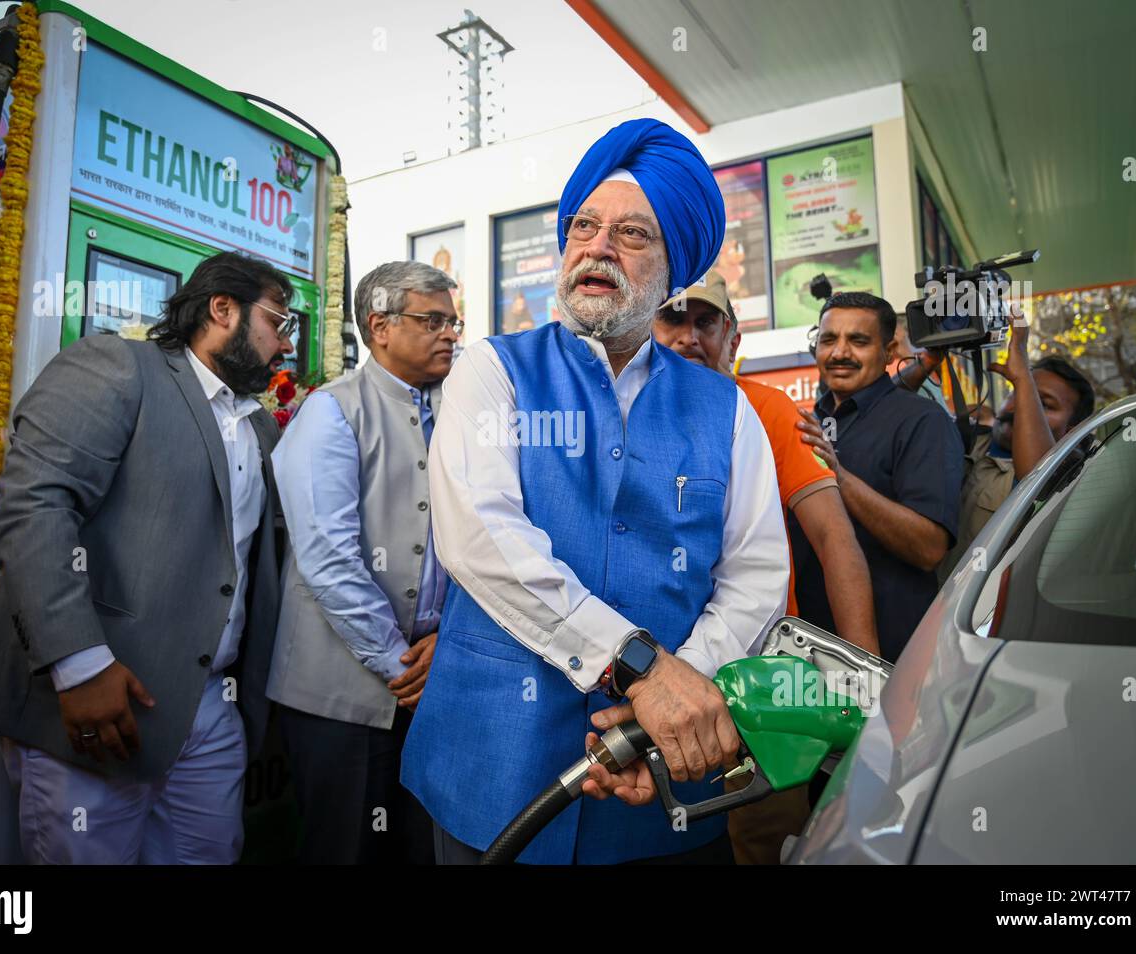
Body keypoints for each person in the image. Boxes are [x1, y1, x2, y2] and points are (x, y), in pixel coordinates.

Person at [402, 118, 790, 864]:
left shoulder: (726, 409)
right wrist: (639, 668)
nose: (598, 246)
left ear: (675, 274)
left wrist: (670, 709)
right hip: (491, 780)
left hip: (662, 792)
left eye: (634, 235)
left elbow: (756, 577)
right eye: (585, 225)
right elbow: (481, 538)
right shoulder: (492, 370)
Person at [0, 252, 294, 863]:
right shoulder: (119, 367)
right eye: (279, 320)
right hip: (99, 706)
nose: (287, 343)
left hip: (213, 712)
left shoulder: (262, 429)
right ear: (223, 308)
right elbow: (33, 507)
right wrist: (80, 665)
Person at [653, 269, 877, 865]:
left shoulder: (769, 409)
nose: (688, 336)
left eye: (706, 322)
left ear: (733, 339)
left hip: (763, 696)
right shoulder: (619, 415)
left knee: (764, 846)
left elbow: (836, 541)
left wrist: (866, 685)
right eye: (673, 318)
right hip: (643, 683)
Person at [268, 261, 459, 864]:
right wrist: (401, 665)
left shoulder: (459, 416)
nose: (451, 334)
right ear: (379, 326)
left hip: (429, 685)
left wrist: (448, 642)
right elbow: (329, 560)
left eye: (454, 321)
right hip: (344, 699)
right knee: (348, 850)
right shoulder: (331, 411)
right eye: (433, 321)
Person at [795, 291, 964, 662]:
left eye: (858, 341)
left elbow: (929, 548)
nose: (840, 353)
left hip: (896, 656)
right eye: (828, 340)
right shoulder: (807, 422)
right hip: (805, 650)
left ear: (889, 352)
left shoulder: (923, 422)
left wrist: (838, 475)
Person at [896, 315, 1095, 582]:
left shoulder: (1068, 476)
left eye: (1043, 404)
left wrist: (1023, 376)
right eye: (1015, 392)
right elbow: (885, 409)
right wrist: (929, 362)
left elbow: (1037, 476)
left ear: (1072, 430)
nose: (1016, 406)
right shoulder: (966, 440)